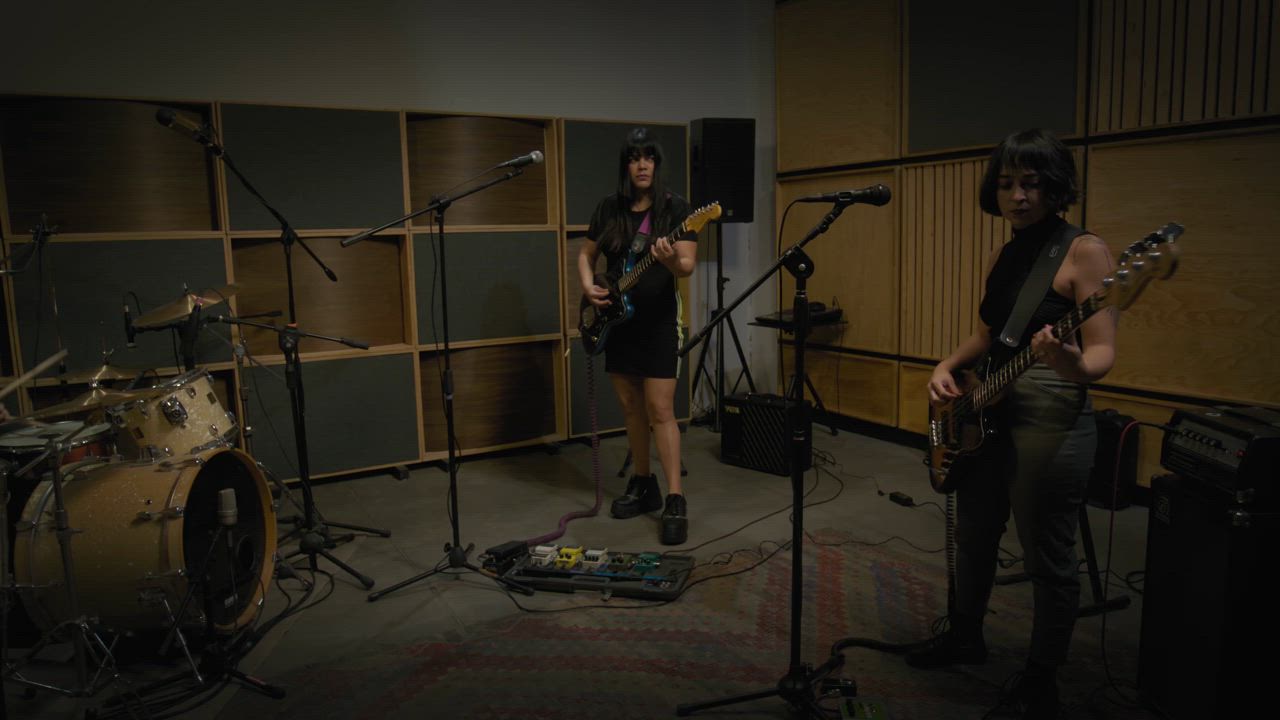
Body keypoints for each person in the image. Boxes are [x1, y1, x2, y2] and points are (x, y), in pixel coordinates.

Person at [908, 129, 1117, 719]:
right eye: (1006, 184)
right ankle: (965, 636)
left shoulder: (1086, 252)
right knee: (973, 535)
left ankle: (1041, 679)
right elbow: (990, 333)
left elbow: (1101, 356)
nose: (1017, 196)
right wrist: (947, 365)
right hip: (988, 405)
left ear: (1055, 187)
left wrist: (1071, 360)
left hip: (1052, 413)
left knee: (1047, 556)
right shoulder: (1004, 253)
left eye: (1030, 183)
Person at [578, 127, 697, 546]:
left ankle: (675, 498)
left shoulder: (676, 208)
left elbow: (686, 267)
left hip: (660, 322)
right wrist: (589, 287)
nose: (642, 164)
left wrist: (667, 261)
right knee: (630, 407)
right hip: (618, 321)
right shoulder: (609, 207)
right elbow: (586, 253)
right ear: (626, 165)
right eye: (634, 157)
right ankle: (643, 485)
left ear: (657, 165)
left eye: (649, 157)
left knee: (660, 409)